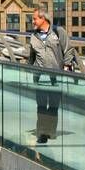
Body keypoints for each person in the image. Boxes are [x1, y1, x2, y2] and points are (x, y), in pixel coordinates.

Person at [26, 8, 78, 144]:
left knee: (53, 107)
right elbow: (31, 57)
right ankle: (42, 133)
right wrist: (28, 70)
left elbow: (68, 50)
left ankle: (51, 132)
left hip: (56, 76)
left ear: (43, 19)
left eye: (35, 19)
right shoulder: (33, 36)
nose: (33, 21)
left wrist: (66, 67)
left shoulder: (58, 32)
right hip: (39, 76)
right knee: (41, 106)